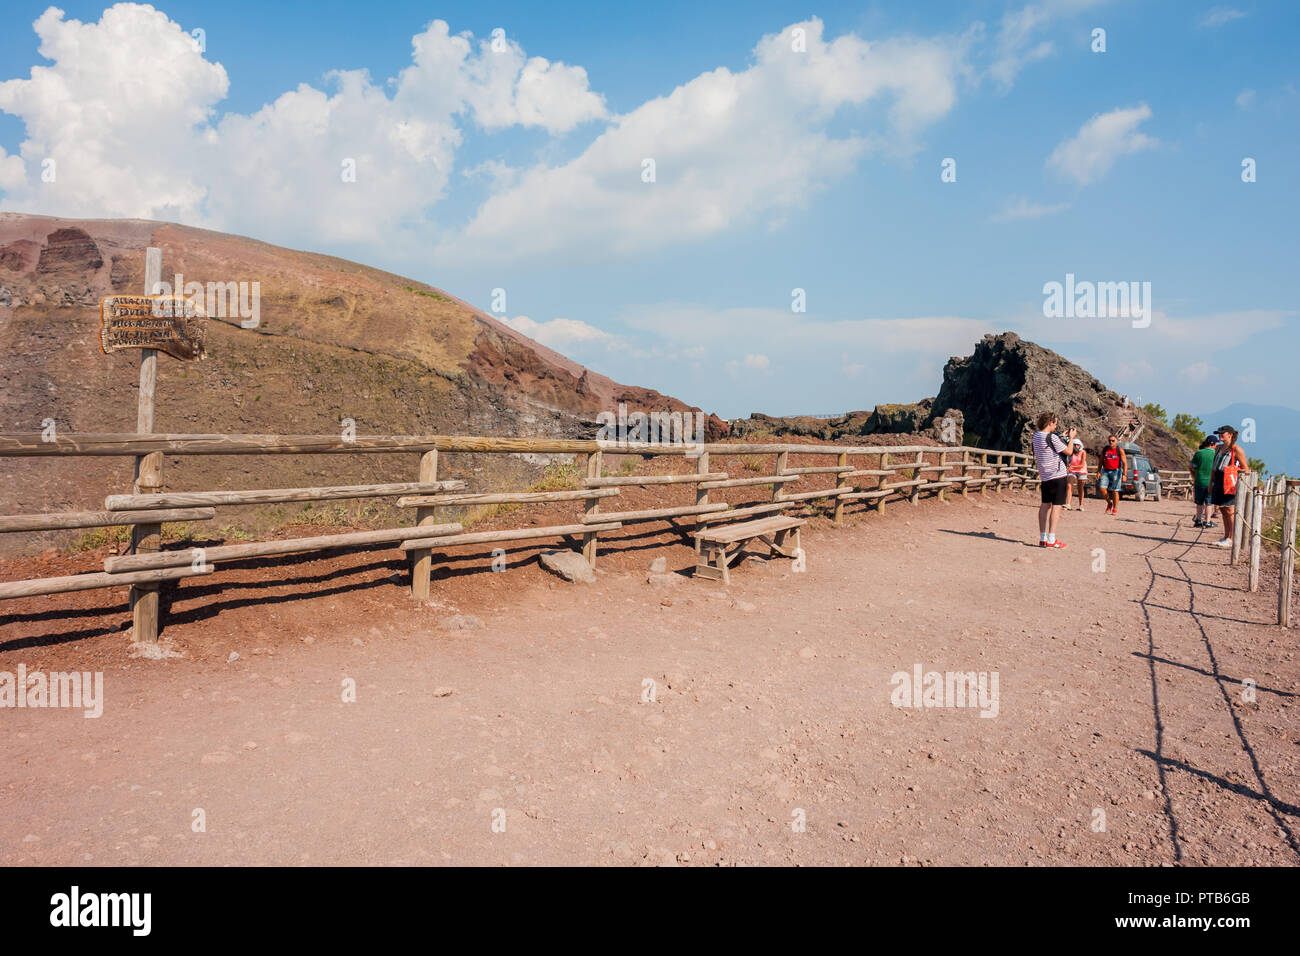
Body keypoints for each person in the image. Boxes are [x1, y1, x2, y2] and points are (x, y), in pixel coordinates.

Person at [1032, 412, 1075, 548]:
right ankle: (1052, 539)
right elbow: (1068, 451)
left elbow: (1049, 441)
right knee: (1057, 507)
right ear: (1050, 422)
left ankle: (1042, 538)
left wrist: (1062, 436)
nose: (1056, 426)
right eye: (1055, 423)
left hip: (1045, 476)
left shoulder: (1036, 436)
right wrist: (1071, 438)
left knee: (1045, 505)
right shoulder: (1052, 438)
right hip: (1058, 475)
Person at [1210, 425, 1250, 548]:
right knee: (1222, 509)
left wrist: (1236, 474)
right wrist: (1210, 483)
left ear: (1230, 435)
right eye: (1219, 433)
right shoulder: (1218, 448)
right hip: (1218, 479)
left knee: (1229, 509)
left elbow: (1246, 469)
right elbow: (1213, 467)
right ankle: (1226, 536)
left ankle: (1231, 538)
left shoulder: (1236, 450)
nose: (1220, 435)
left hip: (1228, 481)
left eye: (1223, 433)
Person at [1190, 435, 1218, 528]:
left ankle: (1198, 520)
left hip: (1199, 481)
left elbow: (1192, 466)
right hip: (1211, 482)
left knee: (1199, 502)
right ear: (1213, 444)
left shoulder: (1199, 453)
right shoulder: (1216, 454)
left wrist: (1197, 471)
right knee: (1209, 502)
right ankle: (1208, 521)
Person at [1098, 434, 1127, 515]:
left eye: (1113, 440)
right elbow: (1100, 461)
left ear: (1116, 441)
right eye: (1109, 440)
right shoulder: (1105, 449)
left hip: (1116, 471)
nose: (1111, 442)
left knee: (1115, 490)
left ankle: (1115, 508)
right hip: (1106, 470)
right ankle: (1109, 503)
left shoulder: (1120, 450)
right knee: (1102, 488)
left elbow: (1125, 463)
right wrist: (1098, 471)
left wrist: (1124, 474)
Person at [1065, 438, 1088, 510]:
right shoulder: (1070, 452)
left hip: (1082, 470)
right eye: (1074, 445)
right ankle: (1068, 504)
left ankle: (1081, 505)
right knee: (1069, 485)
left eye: (1077, 445)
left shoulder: (1083, 452)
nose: (1076, 446)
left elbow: (1081, 465)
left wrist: (1072, 466)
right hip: (1072, 471)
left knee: (1080, 487)